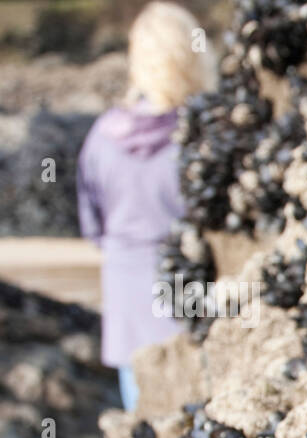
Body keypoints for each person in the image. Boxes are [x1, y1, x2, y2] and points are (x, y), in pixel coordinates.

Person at [77, 2, 214, 411]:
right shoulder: (201, 137)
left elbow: (92, 226)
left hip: (125, 300)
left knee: (144, 430)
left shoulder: (102, 135)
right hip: (189, 302)